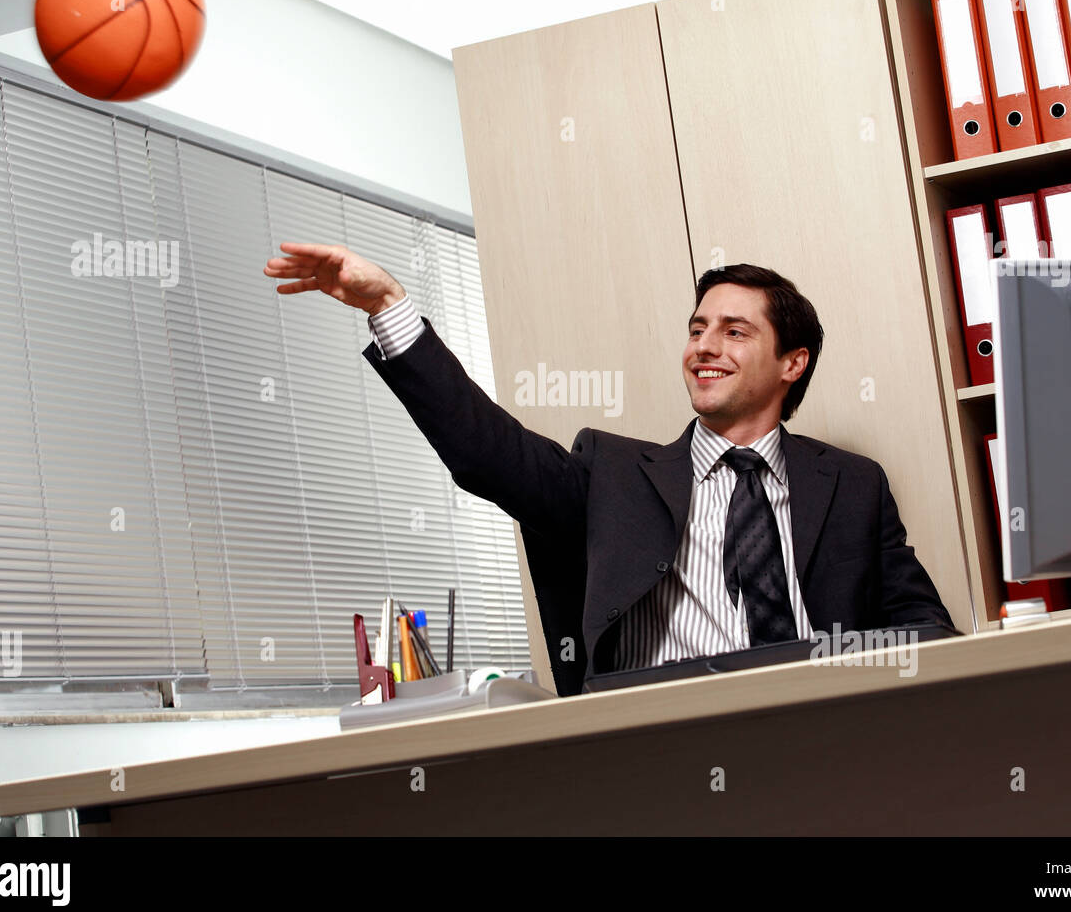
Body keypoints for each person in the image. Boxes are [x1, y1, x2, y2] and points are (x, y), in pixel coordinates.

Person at [264, 243, 955, 695]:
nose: (703, 347)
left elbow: (926, 634)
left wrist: (840, 674)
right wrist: (391, 309)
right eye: (696, 328)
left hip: (826, 739)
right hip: (661, 745)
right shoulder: (615, 476)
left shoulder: (853, 485)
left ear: (792, 362)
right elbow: (488, 453)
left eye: (734, 331)